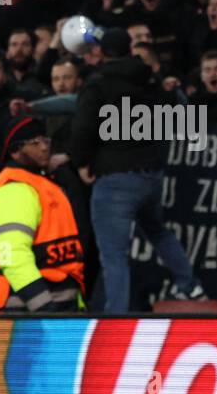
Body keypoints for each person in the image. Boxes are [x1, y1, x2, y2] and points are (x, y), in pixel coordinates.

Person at [68, 28, 205, 311]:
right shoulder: (151, 81)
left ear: (101, 53)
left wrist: (81, 162)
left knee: (114, 255)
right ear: (130, 50)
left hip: (115, 180)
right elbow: (183, 121)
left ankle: (116, 318)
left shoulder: (98, 85)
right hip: (151, 177)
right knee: (158, 231)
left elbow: (82, 129)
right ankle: (190, 286)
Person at [0, 117, 86, 312]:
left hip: (56, 301)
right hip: (27, 311)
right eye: (34, 143)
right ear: (15, 151)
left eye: (45, 141)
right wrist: (44, 306)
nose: (44, 147)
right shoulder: (14, 189)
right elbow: (12, 256)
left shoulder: (41, 183)